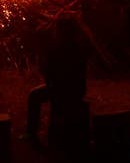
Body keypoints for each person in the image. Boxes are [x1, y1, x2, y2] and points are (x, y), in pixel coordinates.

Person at [26, 14, 89, 142]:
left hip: (61, 89)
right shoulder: (78, 49)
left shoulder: (57, 50)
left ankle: (31, 134)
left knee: (34, 95)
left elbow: (49, 77)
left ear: (61, 31)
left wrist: (43, 59)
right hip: (78, 90)